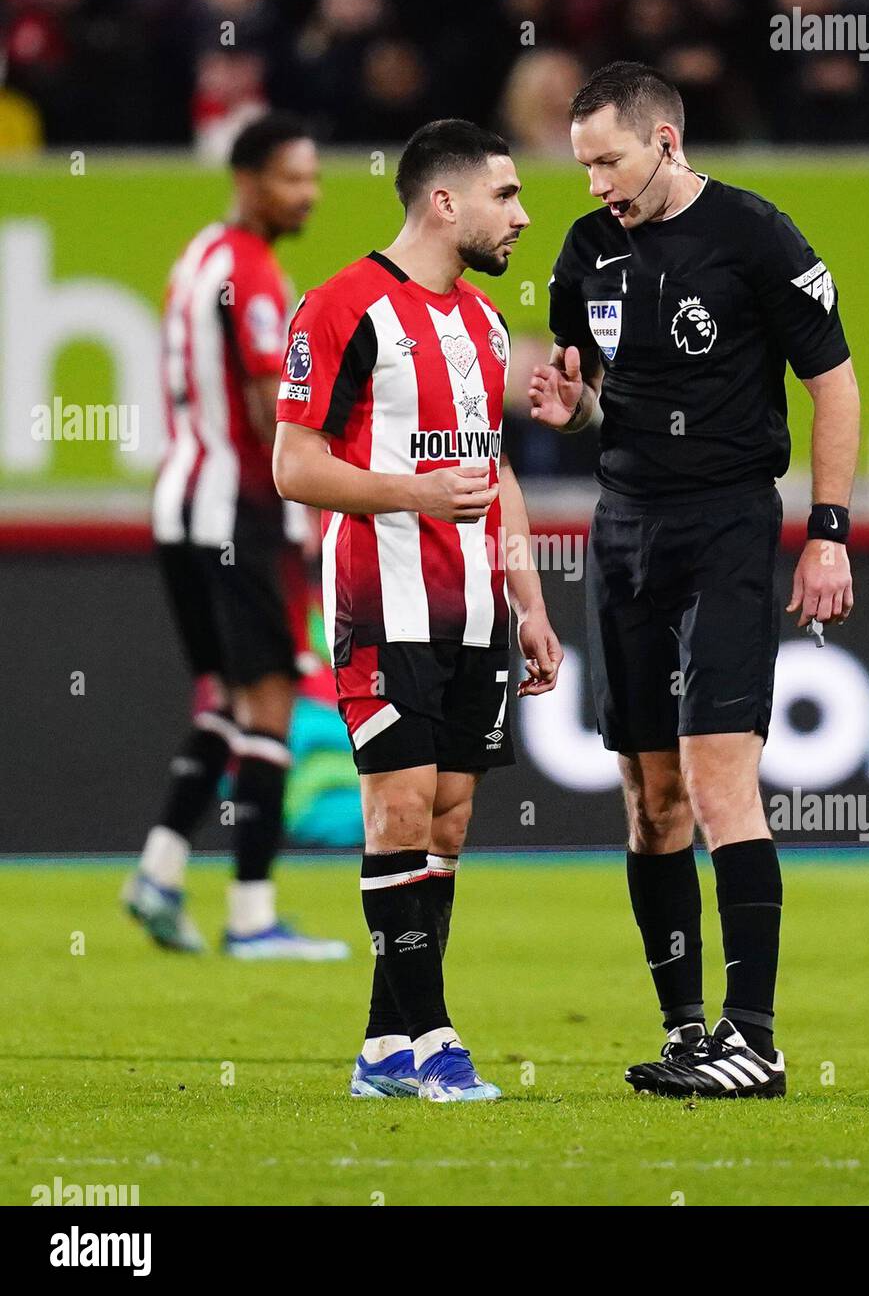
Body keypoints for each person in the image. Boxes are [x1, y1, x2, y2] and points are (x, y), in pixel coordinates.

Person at [530, 62, 860, 1098]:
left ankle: (751, 1038)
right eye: (580, 164)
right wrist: (566, 409)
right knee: (646, 793)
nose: (591, 184)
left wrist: (828, 533)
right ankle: (685, 1032)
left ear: (663, 142)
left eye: (606, 161)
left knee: (719, 770)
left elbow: (834, 387)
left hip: (725, 519)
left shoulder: (757, 235)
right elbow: (590, 398)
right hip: (623, 527)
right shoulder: (584, 251)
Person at [272, 119, 563, 1102]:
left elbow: (494, 471)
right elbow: (294, 462)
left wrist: (527, 599)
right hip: (377, 600)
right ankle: (433, 1039)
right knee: (394, 808)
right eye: (507, 195)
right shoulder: (341, 308)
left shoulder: (481, 324)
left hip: (476, 609)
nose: (522, 216)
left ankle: (379, 1048)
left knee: (445, 815)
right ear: (444, 202)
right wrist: (414, 496)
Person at [124, 112, 349, 962]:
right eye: (296, 179)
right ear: (251, 181)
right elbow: (269, 411)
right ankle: (253, 915)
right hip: (241, 510)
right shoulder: (250, 272)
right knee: (270, 702)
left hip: (179, 502)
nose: (310, 195)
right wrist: (319, 498)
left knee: (224, 695)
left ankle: (160, 867)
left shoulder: (196, 257)